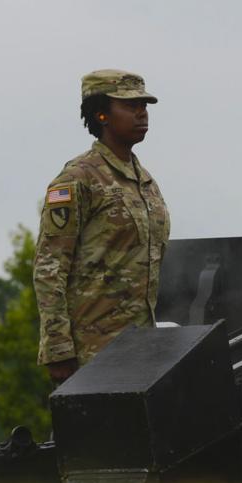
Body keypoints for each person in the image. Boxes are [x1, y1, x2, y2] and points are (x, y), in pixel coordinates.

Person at [34, 70, 170, 383]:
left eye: (144, 106)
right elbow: (49, 268)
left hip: (141, 349)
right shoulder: (78, 178)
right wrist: (58, 348)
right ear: (102, 114)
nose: (141, 113)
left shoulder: (145, 181)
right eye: (130, 105)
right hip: (93, 353)